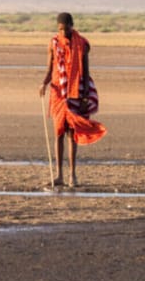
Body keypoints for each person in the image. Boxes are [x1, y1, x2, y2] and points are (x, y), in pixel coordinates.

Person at [38, 12, 107, 187]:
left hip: (76, 91)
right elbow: (50, 68)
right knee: (59, 133)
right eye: (60, 29)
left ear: (71, 26)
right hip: (58, 93)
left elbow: (86, 71)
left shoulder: (81, 44)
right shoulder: (53, 43)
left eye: (65, 29)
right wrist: (44, 84)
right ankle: (59, 175)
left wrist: (85, 97)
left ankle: (72, 176)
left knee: (72, 133)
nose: (63, 32)